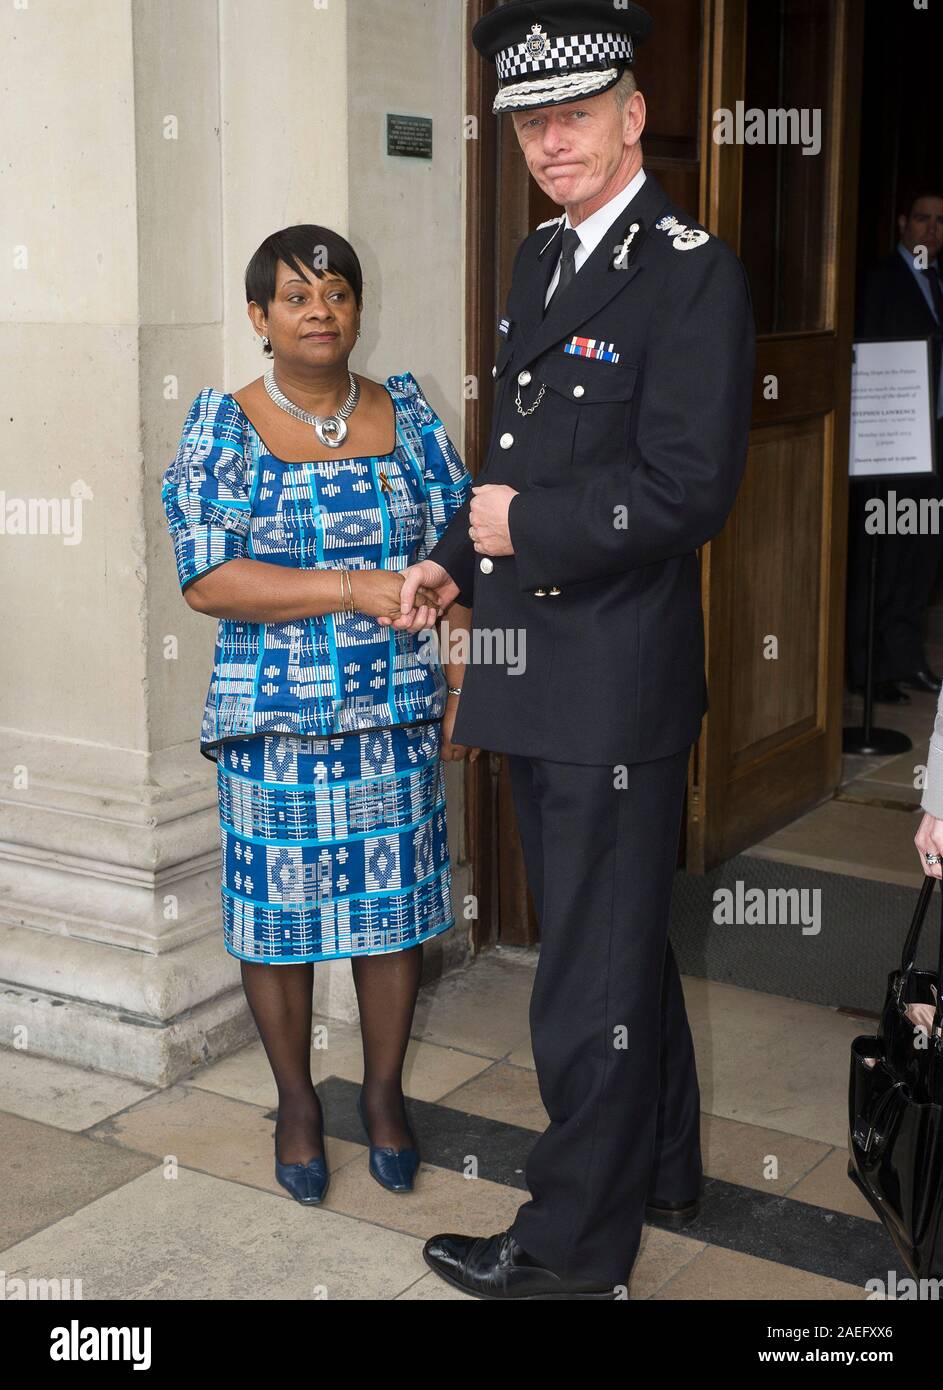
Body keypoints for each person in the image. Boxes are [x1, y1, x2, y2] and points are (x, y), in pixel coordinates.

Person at [384, 0, 756, 1299]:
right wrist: (452, 548)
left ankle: (565, 1252)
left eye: (574, 115)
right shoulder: (543, 261)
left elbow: (684, 488)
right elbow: (514, 457)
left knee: (580, 977)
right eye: (531, 121)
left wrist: (519, 526)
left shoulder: (690, 269)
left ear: (631, 116)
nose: (551, 140)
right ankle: (654, 1163)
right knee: (616, 947)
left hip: (609, 683)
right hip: (530, 666)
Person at [160, 225, 475, 1206]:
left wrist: (464, 678)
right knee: (278, 924)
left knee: (391, 919)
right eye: (294, 297)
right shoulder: (223, 424)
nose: (319, 312)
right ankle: (297, 1101)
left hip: (393, 715)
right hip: (275, 726)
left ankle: (382, 1095)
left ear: (357, 308)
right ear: (259, 317)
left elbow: (462, 554)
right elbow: (208, 580)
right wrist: (352, 585)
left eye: (335, 293)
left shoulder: (410, 414)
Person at [847, 191, 943, 704]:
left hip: (933, 438)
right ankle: (869, 668)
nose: (931, 230)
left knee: (920, 553)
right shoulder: (880, 279)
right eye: (923, 218)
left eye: (940, 222)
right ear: (903, 221)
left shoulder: (939, 281)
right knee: (879, 553)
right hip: (890, 438)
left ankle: (906, 659)